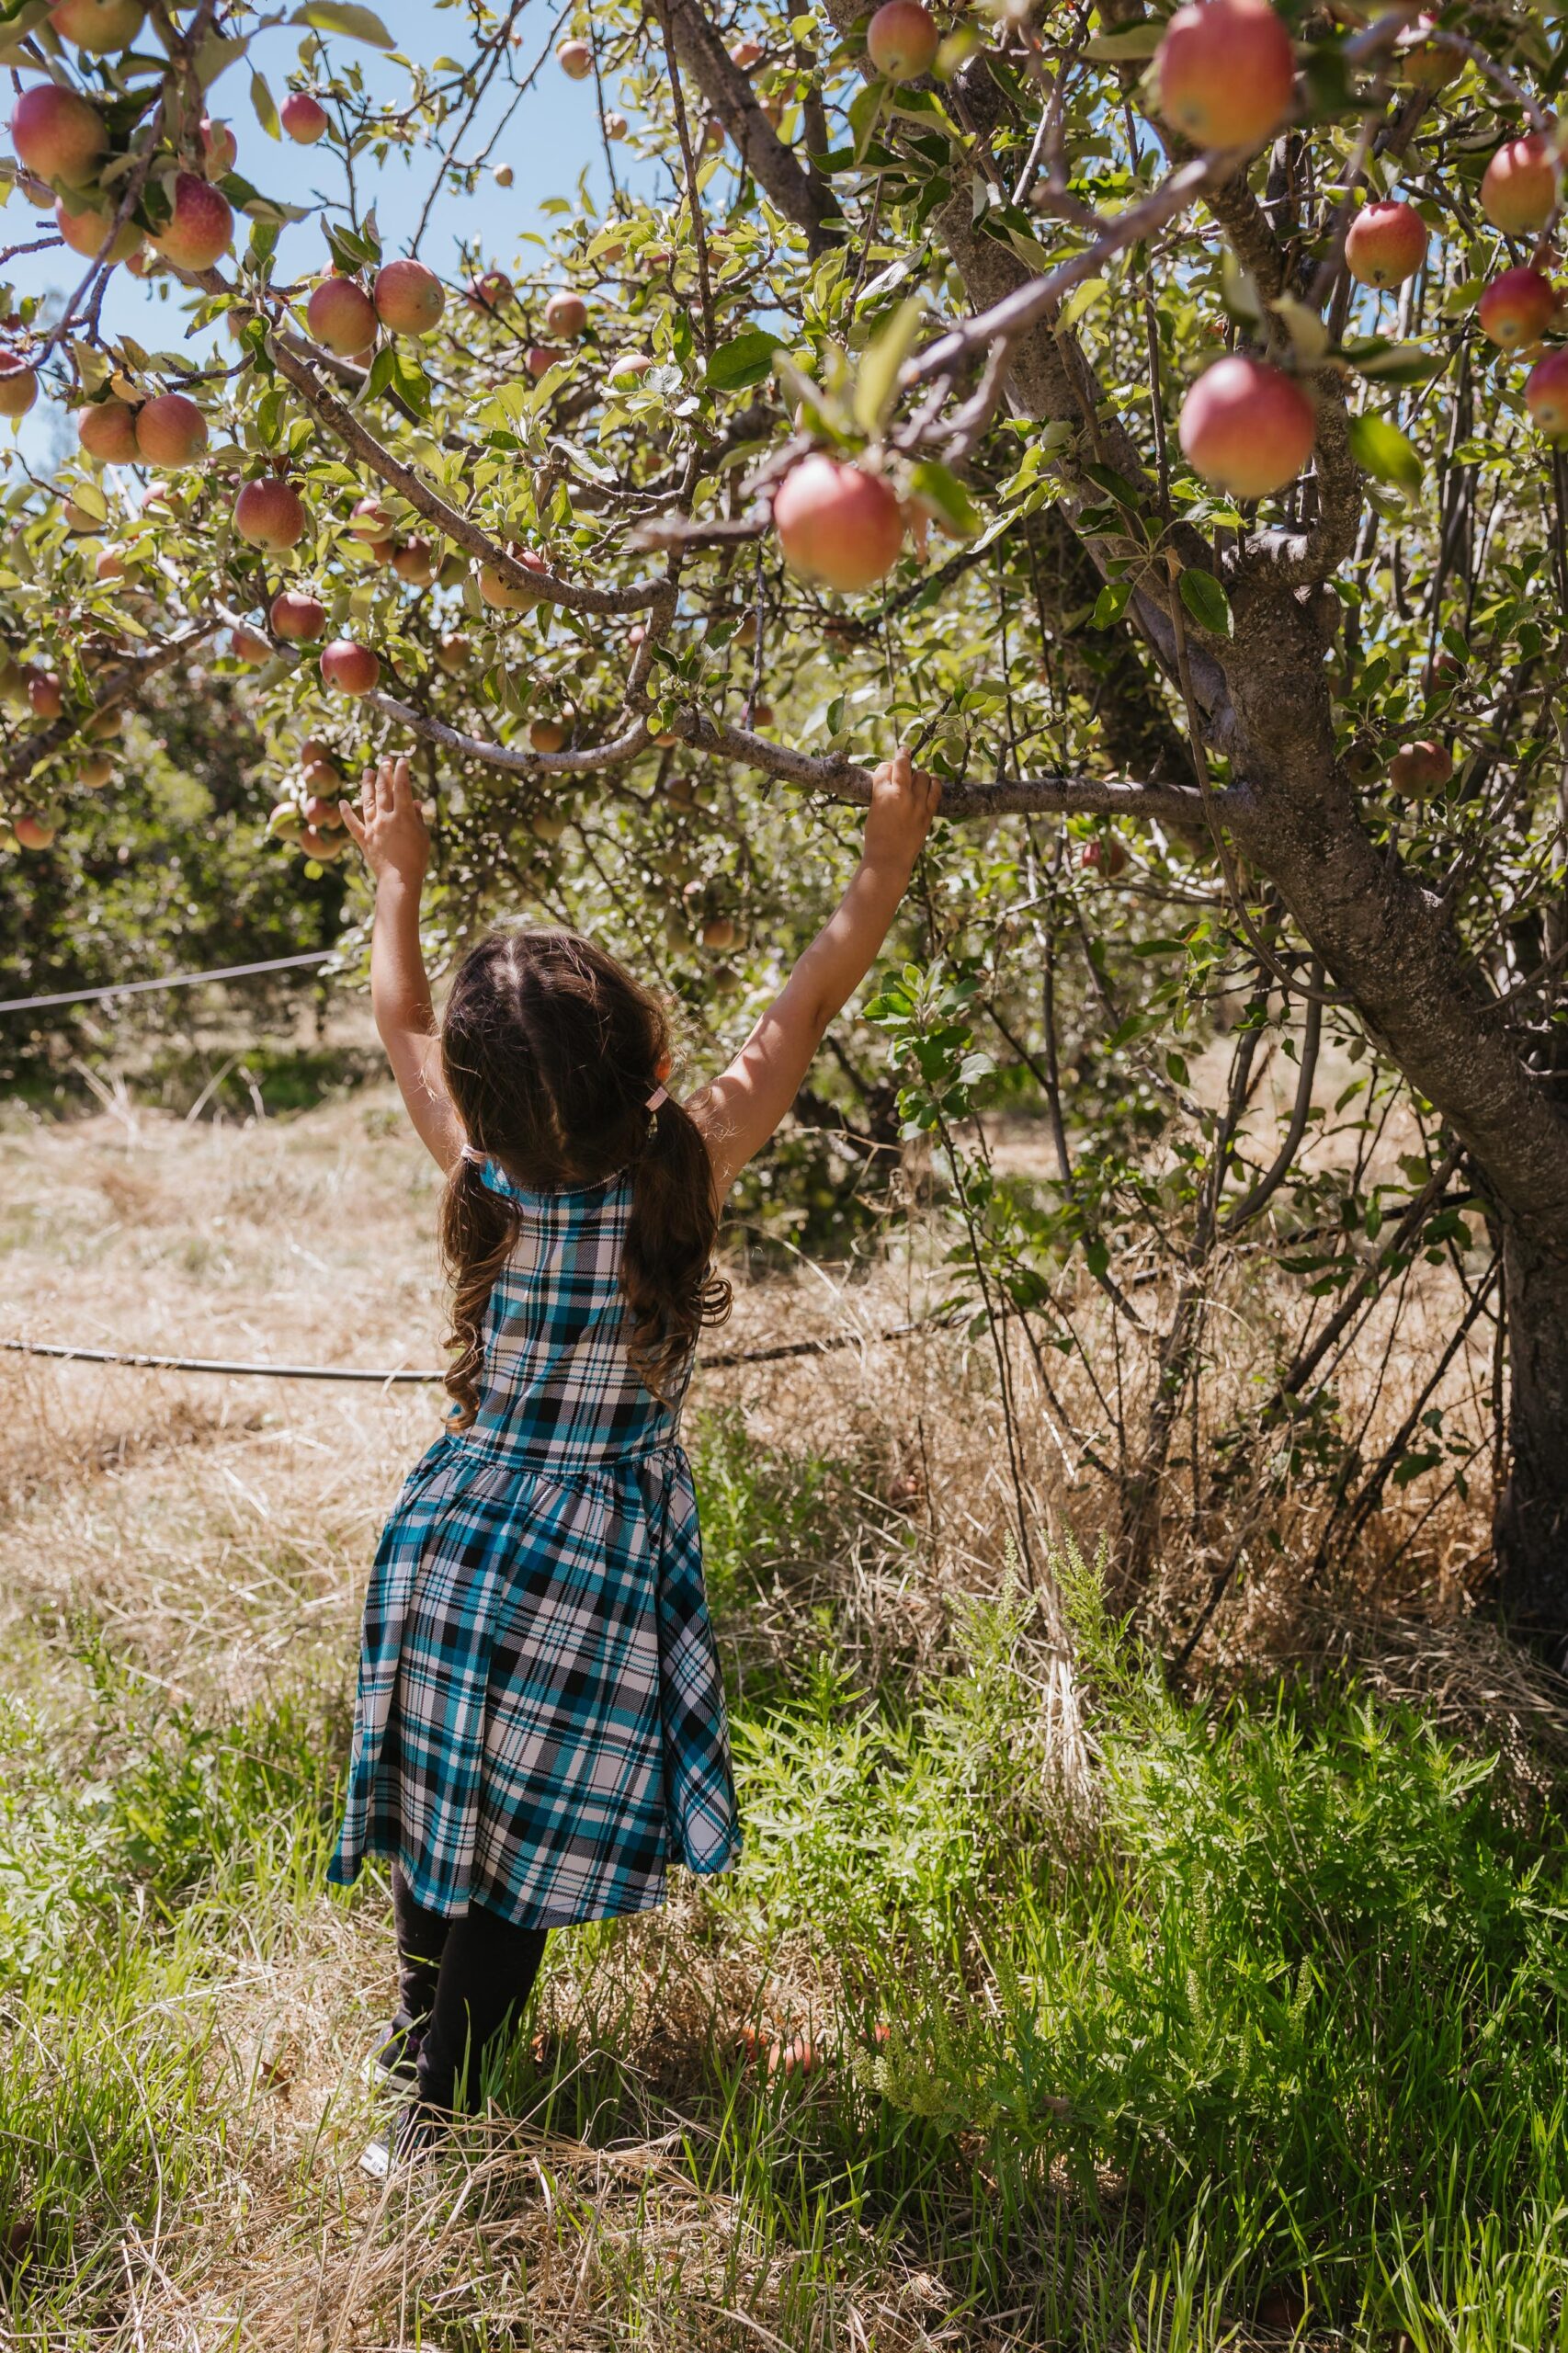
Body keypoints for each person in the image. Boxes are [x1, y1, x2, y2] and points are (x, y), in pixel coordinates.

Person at [327, 745, 939, 2166]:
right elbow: (802, 1006)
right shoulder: (688, 1158)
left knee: (443, 1816)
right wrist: (885, 858)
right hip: (587, 1560)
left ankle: (415, 2055)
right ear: (653, 1068)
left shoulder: (473, 1171)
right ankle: (432, 2118)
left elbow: (396, 1016)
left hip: (451, 1534)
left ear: (475, 1105)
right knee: (517, 1862)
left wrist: (398, 878)